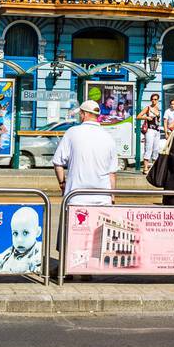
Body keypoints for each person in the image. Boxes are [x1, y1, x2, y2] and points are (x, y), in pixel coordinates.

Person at [53, 100, 118, 262]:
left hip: (76, 195)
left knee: (71, 234)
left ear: (84, 114)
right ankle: (87, 268)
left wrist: (62, 183)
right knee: (94, 237)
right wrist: (112, 196)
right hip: (102, 197)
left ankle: (65, 267)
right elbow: (112, 173)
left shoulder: (72, 133)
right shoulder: (108, 137)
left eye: (80, 113)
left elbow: (58, 162)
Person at [0, 206, 44, 273]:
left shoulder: (39, 252)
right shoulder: (2, 258)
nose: (19, 240)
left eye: (25, 233)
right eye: (15, 233)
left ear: (38, 232)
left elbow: (38, 267)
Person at [137, 93, 162, 173]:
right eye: (152, 99)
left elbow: (158, 121)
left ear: (158, 100)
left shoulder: (158, 109)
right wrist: (146, 117)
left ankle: (154, 169)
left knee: (156, 149)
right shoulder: (148, 108)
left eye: (155, 99)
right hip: (150, 130)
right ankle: (145, 168)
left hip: (157, 130)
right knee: (148, 148)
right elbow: (138, 116)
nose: (153, 101)